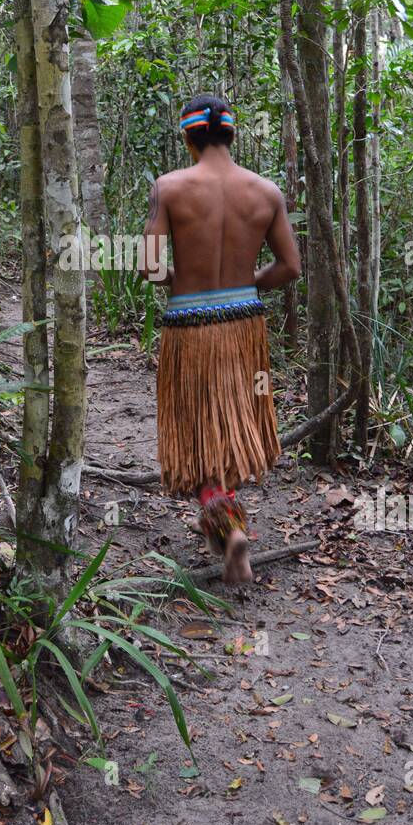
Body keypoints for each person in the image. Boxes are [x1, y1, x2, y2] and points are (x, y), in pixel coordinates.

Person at [140, 93, 301, 584]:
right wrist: (245, 282)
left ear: (189, 136)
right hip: (244, 326)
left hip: (190, 327)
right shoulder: (267, 192)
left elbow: (148, 268)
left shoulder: (168, 189)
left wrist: (182, 277)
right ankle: (227, 521)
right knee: (232, 423)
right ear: (232, 134)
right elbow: (291, 267)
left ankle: (226, 524)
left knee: (196, 429)